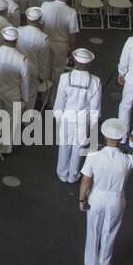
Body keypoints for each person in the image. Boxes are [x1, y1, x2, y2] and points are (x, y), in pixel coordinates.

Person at [78, 118, 133, 265]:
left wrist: (81, 200)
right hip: (116, 198)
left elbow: (86, 180)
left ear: (104, 136)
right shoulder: (127, 159)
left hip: (96, 197)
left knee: (93, 230)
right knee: (110, 232)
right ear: (121, 138)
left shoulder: (94, 156)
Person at [53, 48, 101, 184]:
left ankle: (62, 173)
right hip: (83, 118)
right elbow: (95, 106)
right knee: (79, 147)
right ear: (89, 64)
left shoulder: (65, 77)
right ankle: (73, 175)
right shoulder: (95, 81)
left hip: (66, 116)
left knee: (64, 145)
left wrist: (58, 117)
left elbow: (60, 100)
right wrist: (92, 124)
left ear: (74, 61)